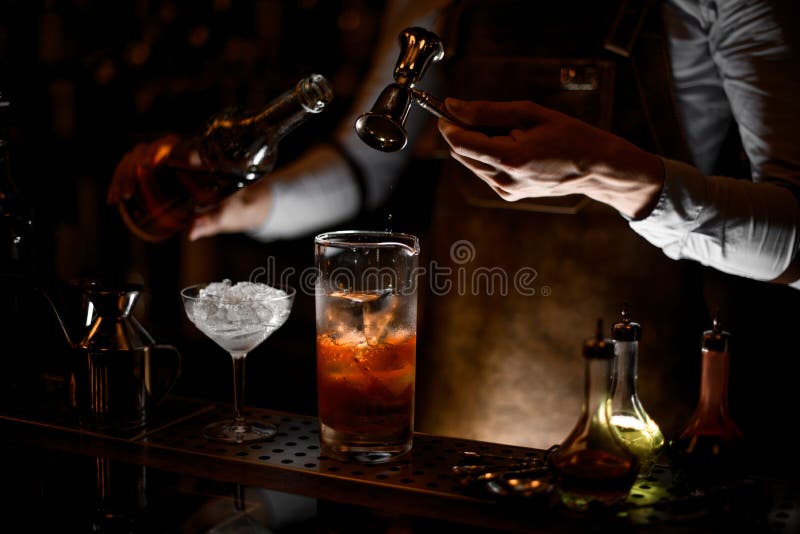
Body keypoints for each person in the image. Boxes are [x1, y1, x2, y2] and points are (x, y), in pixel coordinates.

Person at [109, 0, 800, 476]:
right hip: (461, 440)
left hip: (643, 435)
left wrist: (609, 173)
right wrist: (238, 208)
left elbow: (795, 239)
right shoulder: (443, 4)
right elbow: (364, 166)